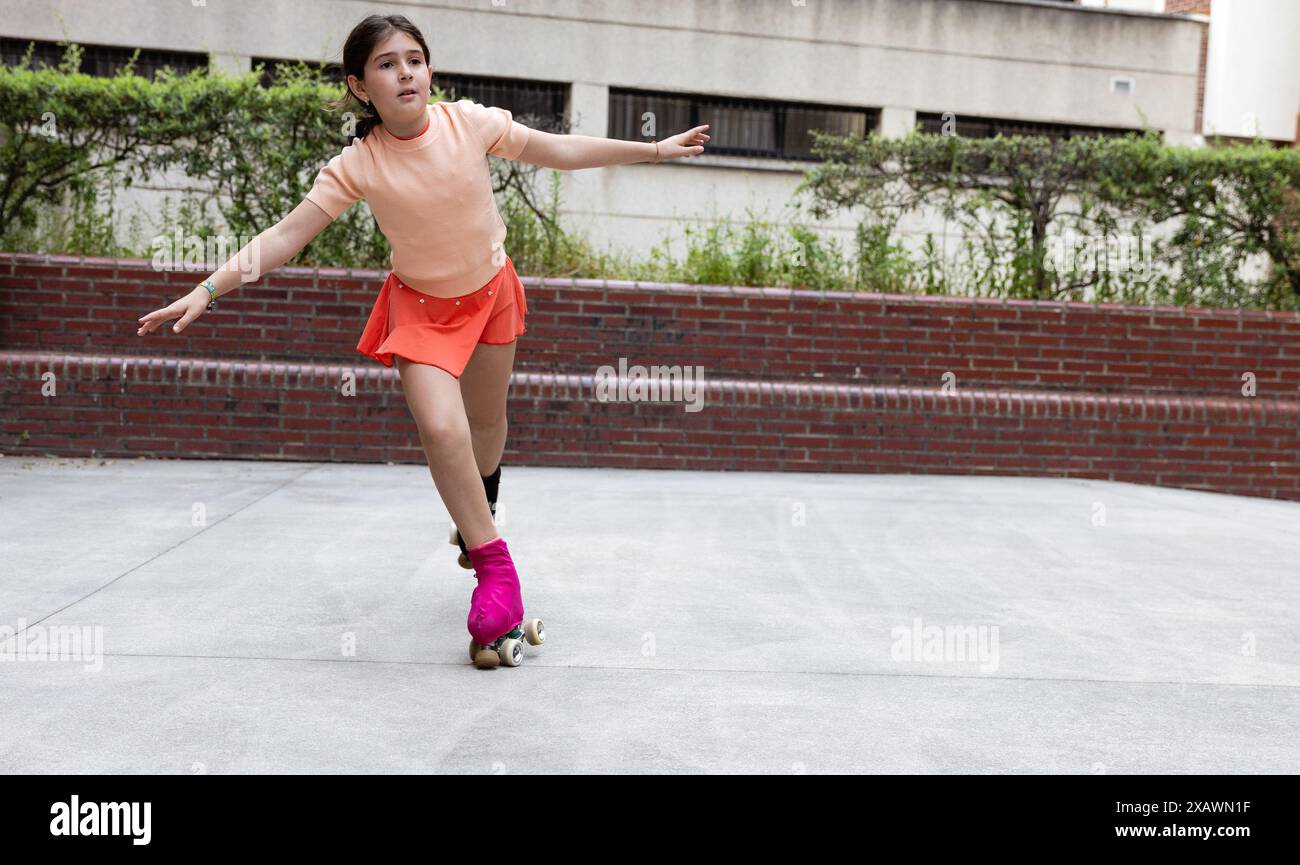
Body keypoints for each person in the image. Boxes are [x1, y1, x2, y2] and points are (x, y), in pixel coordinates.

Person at [135, 12, 710, 668]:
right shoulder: (359, 164)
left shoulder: (469, 123)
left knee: (487, 426)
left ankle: (479, 510)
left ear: (430, 70)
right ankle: (496, 569)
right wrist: (206, 289)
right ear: (360, 86)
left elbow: (559, 150)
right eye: (386, 64)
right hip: (420, 310)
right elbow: (285, 236)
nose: (404, 72)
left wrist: (655, 151)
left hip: (491, 293)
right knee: (443, 428)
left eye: (414, 59)